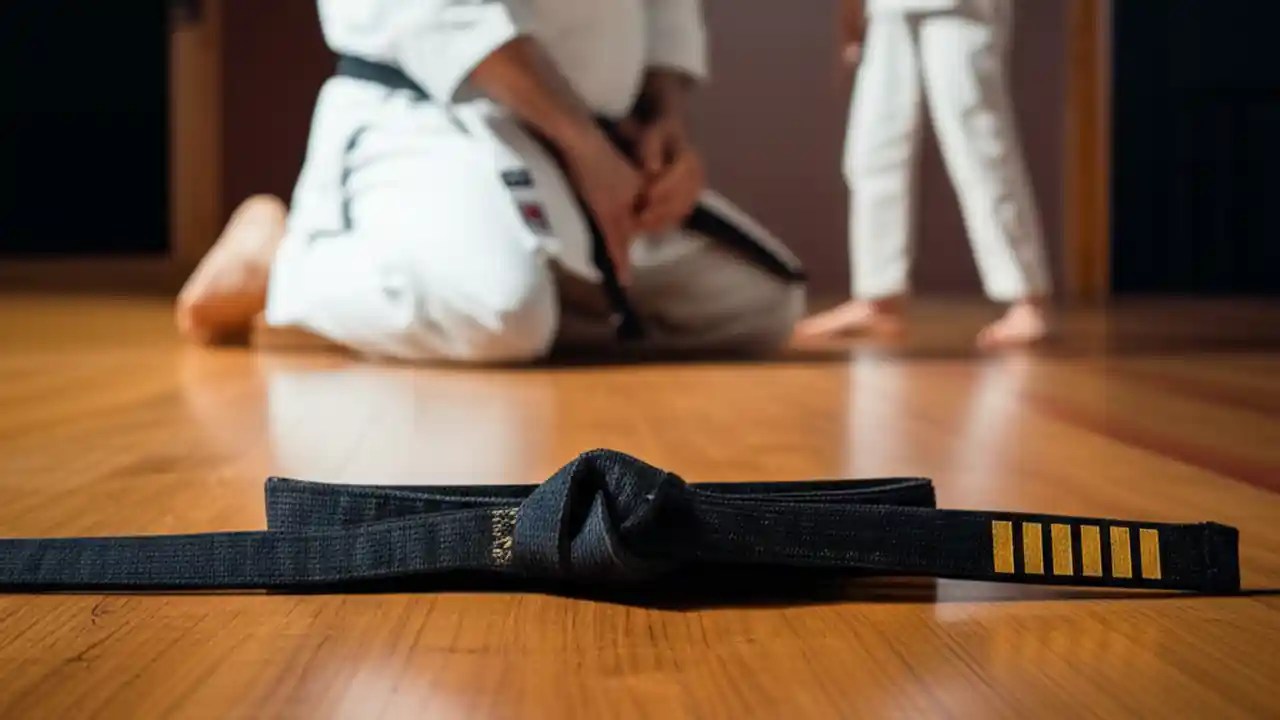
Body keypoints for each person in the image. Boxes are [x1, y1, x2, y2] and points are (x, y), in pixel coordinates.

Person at [177, 0, 805, 363]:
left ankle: (503, 285)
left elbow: (662, 14)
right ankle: (281, 264)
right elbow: (441, 15)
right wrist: (584, 147)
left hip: (601, 147)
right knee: (501, 313)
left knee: (760, 305)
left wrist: (666, 123)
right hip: (433, 120)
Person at [794, 0, 1052, 348]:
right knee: (873, 150)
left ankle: (1026, 299)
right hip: (885, 10)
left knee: (978, 142)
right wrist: (851, 16)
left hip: (958, 7)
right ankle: (879, 296)